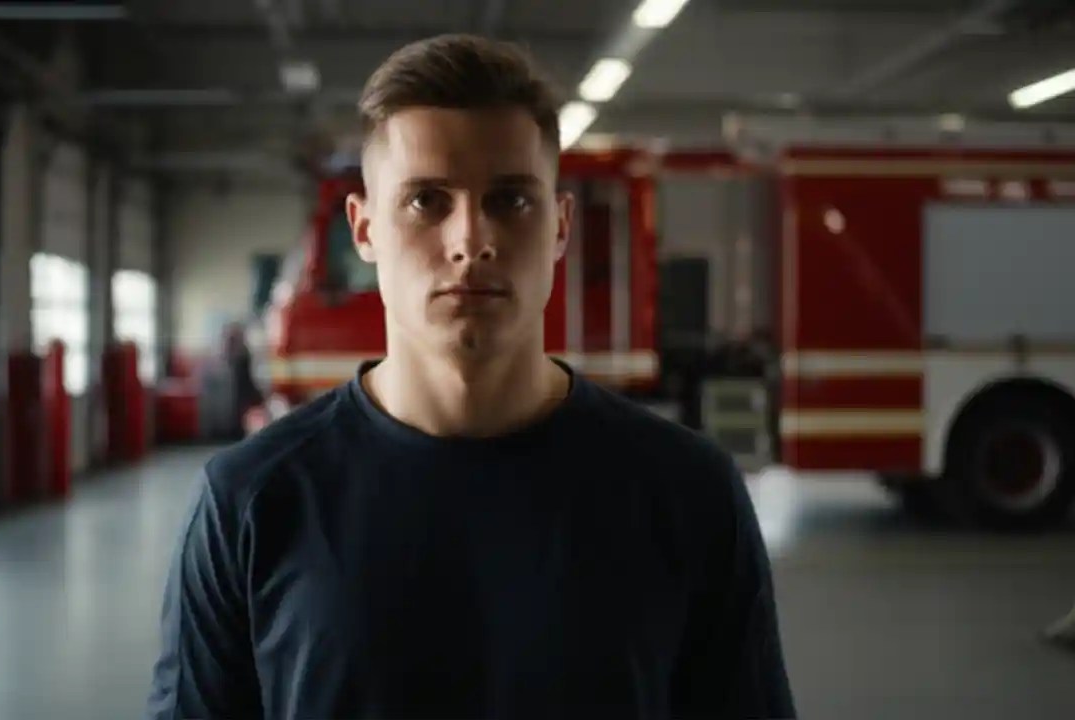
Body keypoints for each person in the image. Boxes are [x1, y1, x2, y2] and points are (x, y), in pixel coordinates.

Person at [146, 34, 795, 719]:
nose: (470, 239)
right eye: (427, 201)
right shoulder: (250, 503)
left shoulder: (688, 495)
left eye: (511, 201)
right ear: (364, 231)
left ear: (561, 227)